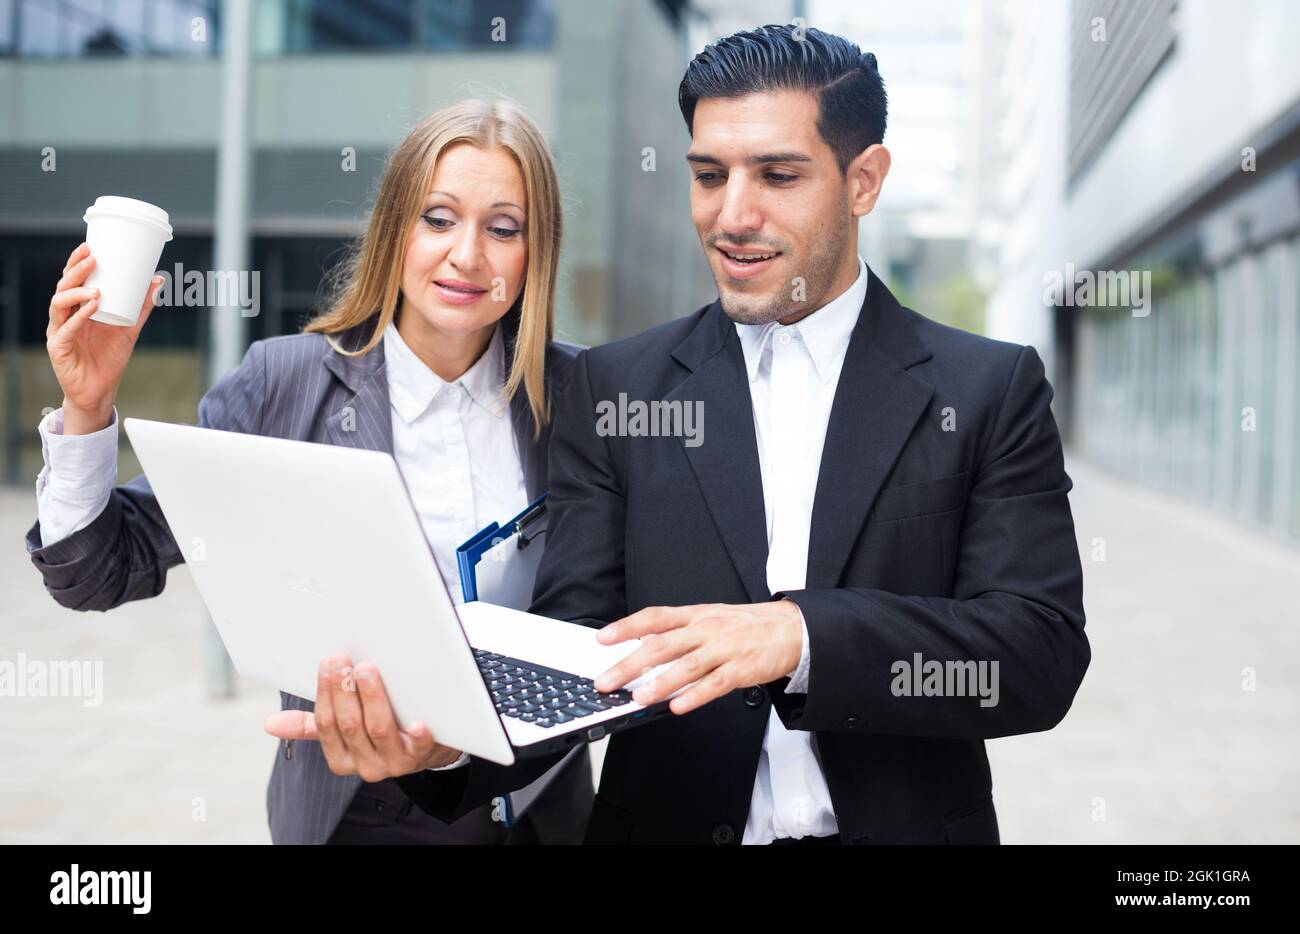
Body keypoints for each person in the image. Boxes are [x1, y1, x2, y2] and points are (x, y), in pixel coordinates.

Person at [271, 24, 1091, 845]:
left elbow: (1035, 656)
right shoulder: (617, 387)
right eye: (708, 175)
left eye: (777, 175)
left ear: (863, 181)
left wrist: (803, 634)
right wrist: (447, 747)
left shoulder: (988, 388)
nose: (733, 215)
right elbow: (569, 652)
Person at [26, 98, 592, 845]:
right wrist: (88, 405)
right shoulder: (285, 384)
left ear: (535, 249)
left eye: (504, 228)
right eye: (439, 217)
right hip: (355, 813)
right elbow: (98, 572)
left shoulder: (581, 399)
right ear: (395, 229)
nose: (467, 256)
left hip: (535, 811)